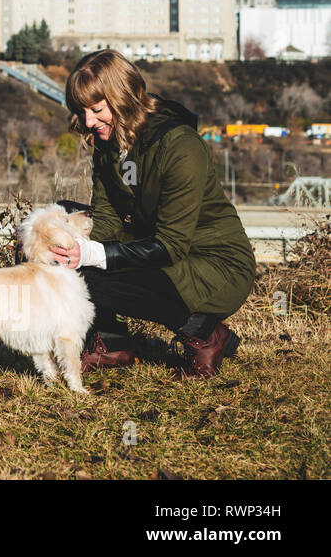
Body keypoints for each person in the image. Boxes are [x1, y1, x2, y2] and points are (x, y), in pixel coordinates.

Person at [50, 49, 256, 378]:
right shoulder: (109, 143)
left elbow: (172, 244)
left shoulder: (180, 147)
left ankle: (205, 334)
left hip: (213, 264)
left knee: (87, 270)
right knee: (61, 239)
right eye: (82, 111)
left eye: (97, 109)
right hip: (161, 250)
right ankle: (112, 342)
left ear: (121, 97)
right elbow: (107, 221)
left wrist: (89, 254)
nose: (88, 121)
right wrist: (62, 240)